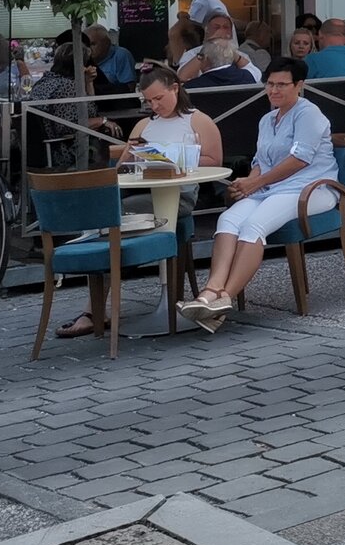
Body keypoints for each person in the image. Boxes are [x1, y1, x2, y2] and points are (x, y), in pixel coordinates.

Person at [56, 66, 225, 340]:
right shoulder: (145, 125)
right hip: (145, 192)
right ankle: (95, 307)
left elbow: (214, 161)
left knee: (109, 219)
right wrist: (134, 154)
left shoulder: (197, 120)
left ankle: (94, 310)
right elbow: (122, 169)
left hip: (178, 195)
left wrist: (172, 159)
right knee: (106, 220)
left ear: (175, 88)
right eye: (149, 101)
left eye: (159, 98)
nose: (155, 105)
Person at [178, 58, 342, 332]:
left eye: (281, 85)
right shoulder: (268, 118)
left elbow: (298, 161)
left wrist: (257, 184)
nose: (274, 90)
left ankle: (224, 298)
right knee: (228, 220)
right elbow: (260, 162)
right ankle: (211, 291)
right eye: (269, 84)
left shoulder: (309, 113)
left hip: (310, 188)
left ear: (299, 85)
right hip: (272, 188)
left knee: (254, 226)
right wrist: (247, 182)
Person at [179, 13, 261, 83]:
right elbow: (181, 79)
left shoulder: (242, 56)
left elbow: (255, 76)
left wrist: (230, 51)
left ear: (231, 33)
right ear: (207, 32)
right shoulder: (190, 55)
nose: (221, 31)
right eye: (216, 27)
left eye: (225, 27)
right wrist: (207, 49)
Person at [188, 37, 260, 92]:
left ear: (206, 59)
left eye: (200, 57)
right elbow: (255, 71)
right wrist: (233, 54)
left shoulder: (191, 87)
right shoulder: (247, 77)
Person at [86, 25, 136, 89]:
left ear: (107, 43)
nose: (89, 49)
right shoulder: (84, 59)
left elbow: (130, 88)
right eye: (86, 45)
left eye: (92, 44)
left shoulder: (120, 55)